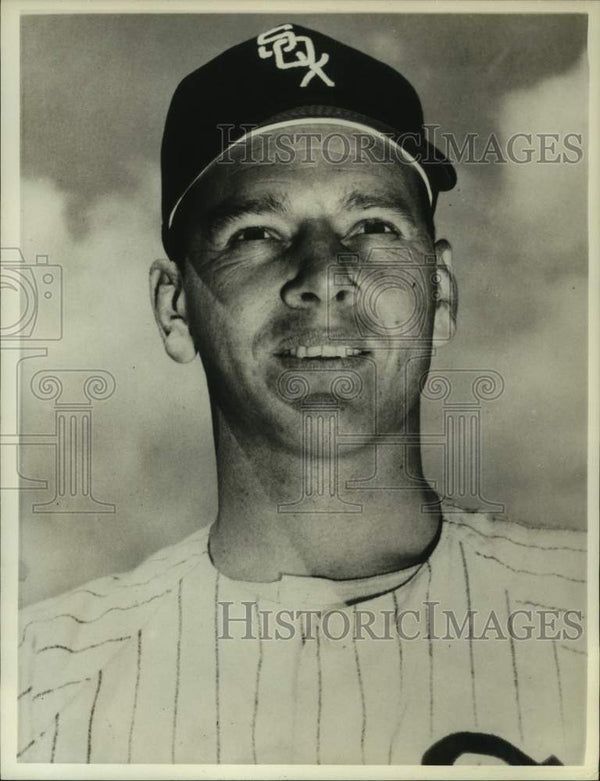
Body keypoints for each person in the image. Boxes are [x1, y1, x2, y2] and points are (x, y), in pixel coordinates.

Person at [18, 23, 586, 765]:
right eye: (256, 233)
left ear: (438, 293)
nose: (324, 273)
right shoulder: (38, 686)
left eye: (373, 225)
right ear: (174, 307)